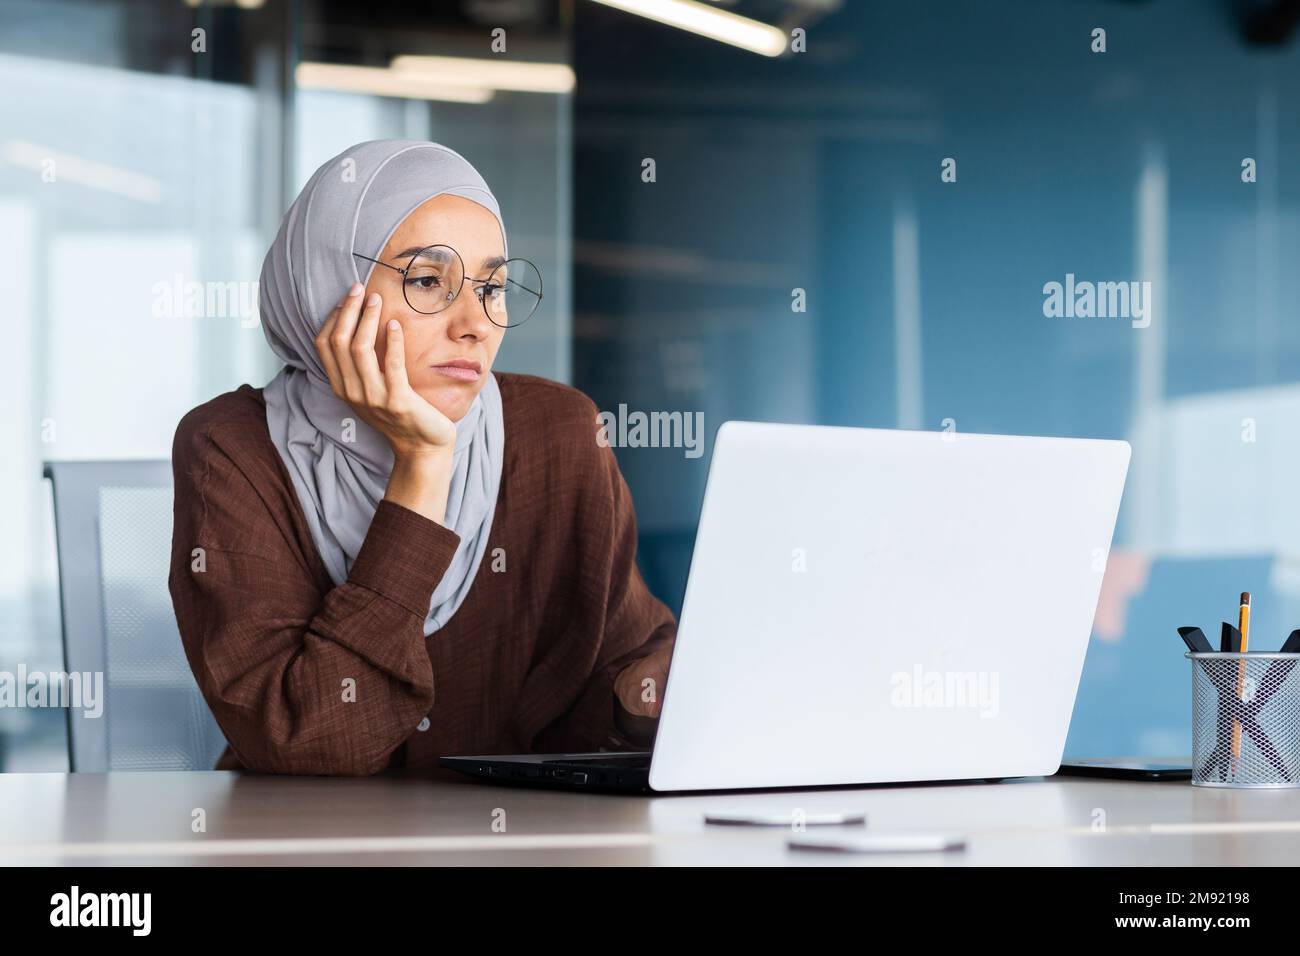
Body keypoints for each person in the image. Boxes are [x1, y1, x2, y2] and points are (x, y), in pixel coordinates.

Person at [168, 140, 676, 775]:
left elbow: (597, 688)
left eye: (493, 287)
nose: (476, 324)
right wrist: (423, 462)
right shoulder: (231, 446)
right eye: (429, 280)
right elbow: (311, 740)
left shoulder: (559, 433)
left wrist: (639, 698)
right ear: (330, 288)